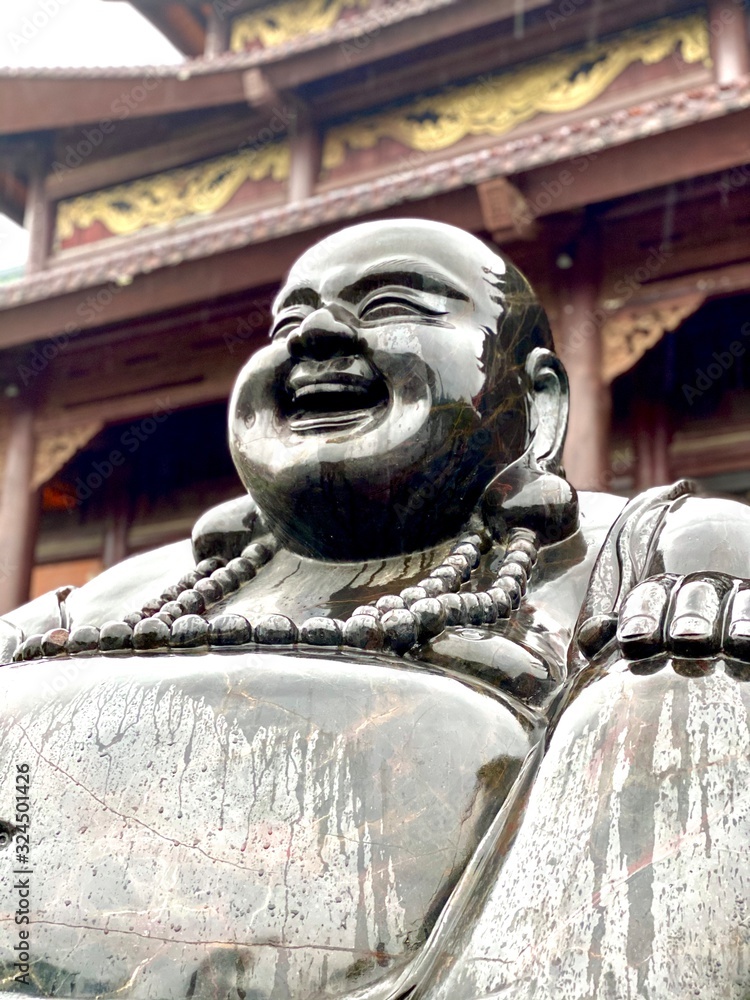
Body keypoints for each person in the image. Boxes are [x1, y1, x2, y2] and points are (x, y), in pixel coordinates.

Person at [1, 219, 749, 999]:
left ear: (541, 404)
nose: (316, 335)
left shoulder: (648, 550)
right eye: (289, 321)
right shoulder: (118, 596)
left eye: (391, 303)